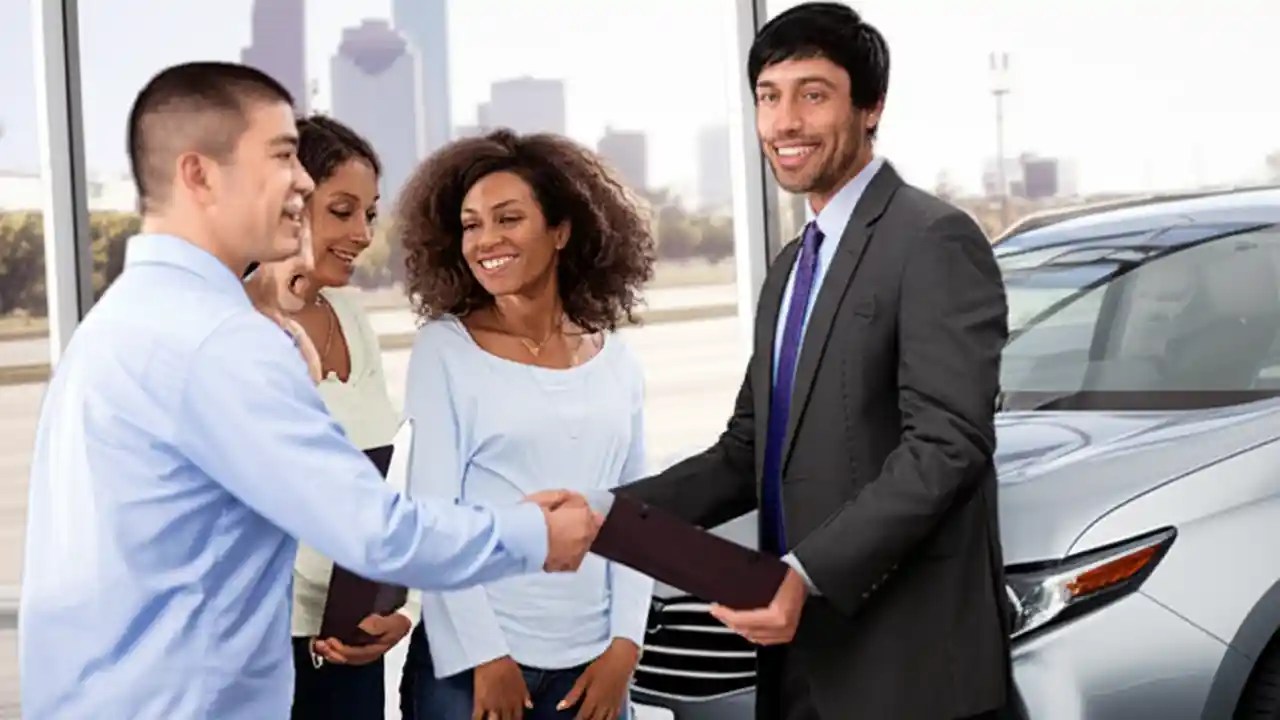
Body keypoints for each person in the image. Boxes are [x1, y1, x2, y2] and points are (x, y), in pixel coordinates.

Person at [18, 61, 601, 720]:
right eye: (281, 158)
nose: (300, 181)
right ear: (199, 174)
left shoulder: (123, 322)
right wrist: (535, 533)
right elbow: (372, 532)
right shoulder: (220, 340)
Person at [615, 4, 1012, 719]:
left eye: (813, 93)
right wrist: (607, 517)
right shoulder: (792, 266)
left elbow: (948, 446)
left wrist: (806, 573)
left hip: (906, 673)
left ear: (871, 108)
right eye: (769, 96)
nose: (785, 121)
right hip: (800, 667)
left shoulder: (933, 240)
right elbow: (747, 452)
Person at [394, 129, 657, 720]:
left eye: (508, 219)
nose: (486, 240)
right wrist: (487, 658)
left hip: (593, 668)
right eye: (471, 224)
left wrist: (624, 651)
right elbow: (435, 518)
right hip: (473, 671)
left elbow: (639, 518)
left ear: (562, 231)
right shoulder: (445, 351)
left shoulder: (616, 360)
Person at [250, 114, 423, 718]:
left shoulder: (351, 315)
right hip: (256, 644)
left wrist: (403, 605)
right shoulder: (227, 327)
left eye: (370, 214)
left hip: (348, 632)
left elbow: (389, 471)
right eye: (342, 210)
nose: (362, 232)